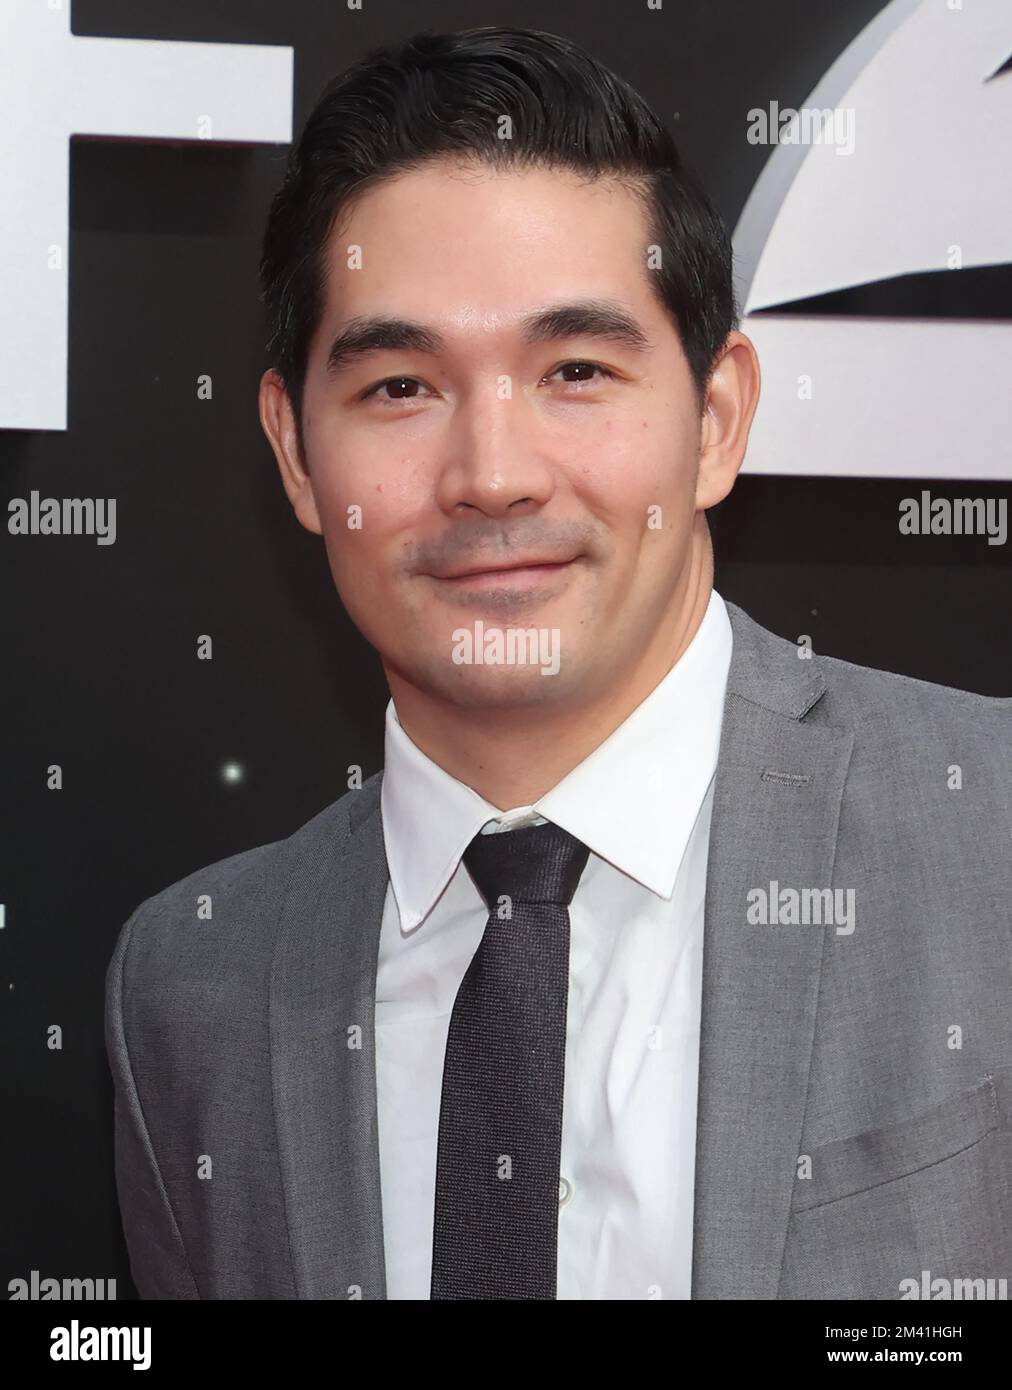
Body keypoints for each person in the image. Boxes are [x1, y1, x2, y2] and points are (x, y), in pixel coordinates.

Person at [105, 24, 1011, 1300]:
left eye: (574, 370)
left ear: (715, 419)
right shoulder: (188, 986)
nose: (492, 476)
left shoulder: (990, 833)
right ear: (297, 455)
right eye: (402, 387)